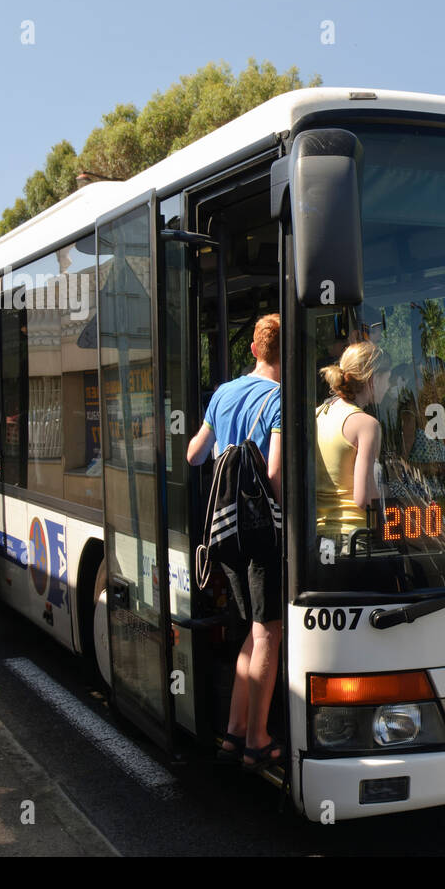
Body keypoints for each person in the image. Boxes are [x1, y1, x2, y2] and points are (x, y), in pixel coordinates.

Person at [187, 314, 284, 771]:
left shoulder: (223, 393)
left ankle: (233, 732)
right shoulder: (280, 398)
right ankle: (258, 739)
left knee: (249, 630)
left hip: (224, 530)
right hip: (262, 532)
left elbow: (194, 454)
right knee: (269, 631)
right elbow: (275, 473)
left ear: (254, 350)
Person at [315, 341, 392, 551]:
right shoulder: (367, 425)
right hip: (356, 537)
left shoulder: (318, 414)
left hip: (320, 539)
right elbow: (362, 497)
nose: (390, 385)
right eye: (388, 378)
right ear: (373, 379)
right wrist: (391, 492)